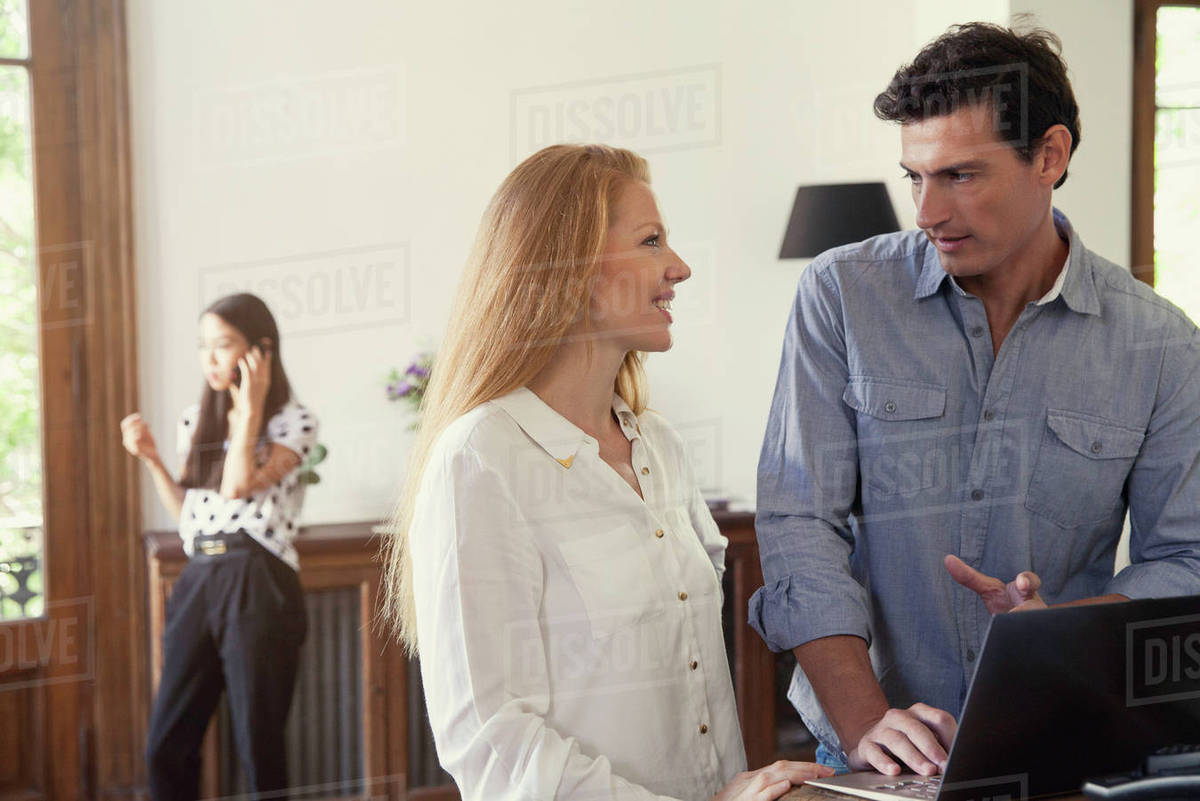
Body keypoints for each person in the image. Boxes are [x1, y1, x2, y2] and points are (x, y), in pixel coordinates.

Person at [750, 22, 1200, 779]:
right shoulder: (841, 296)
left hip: (1065, 752)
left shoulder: (1162, 345)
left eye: (959, 175)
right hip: (869, 764)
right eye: (914, 177)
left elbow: (1186, 560)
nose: (927, 212)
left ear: (1049, 157)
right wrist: (867, 726)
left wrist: (1056, 634)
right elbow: (799, 524)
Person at [379, 144, 833, 801]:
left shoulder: (661, 447)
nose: (678, 267)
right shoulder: (480, 460)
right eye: (651, 241)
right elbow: (492, 743)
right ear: (571, 268)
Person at [121, 292, 319, 800]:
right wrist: (151, 460)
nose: (209, 357)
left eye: (223, 344)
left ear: (259, 352)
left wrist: (248, 408)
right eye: (202, 346)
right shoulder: (196, 420)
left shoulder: (294, 422)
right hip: (199, 577)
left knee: (258, 748)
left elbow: (236, 488)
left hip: (257, 577)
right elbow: (191, 515)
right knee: (166, 746)